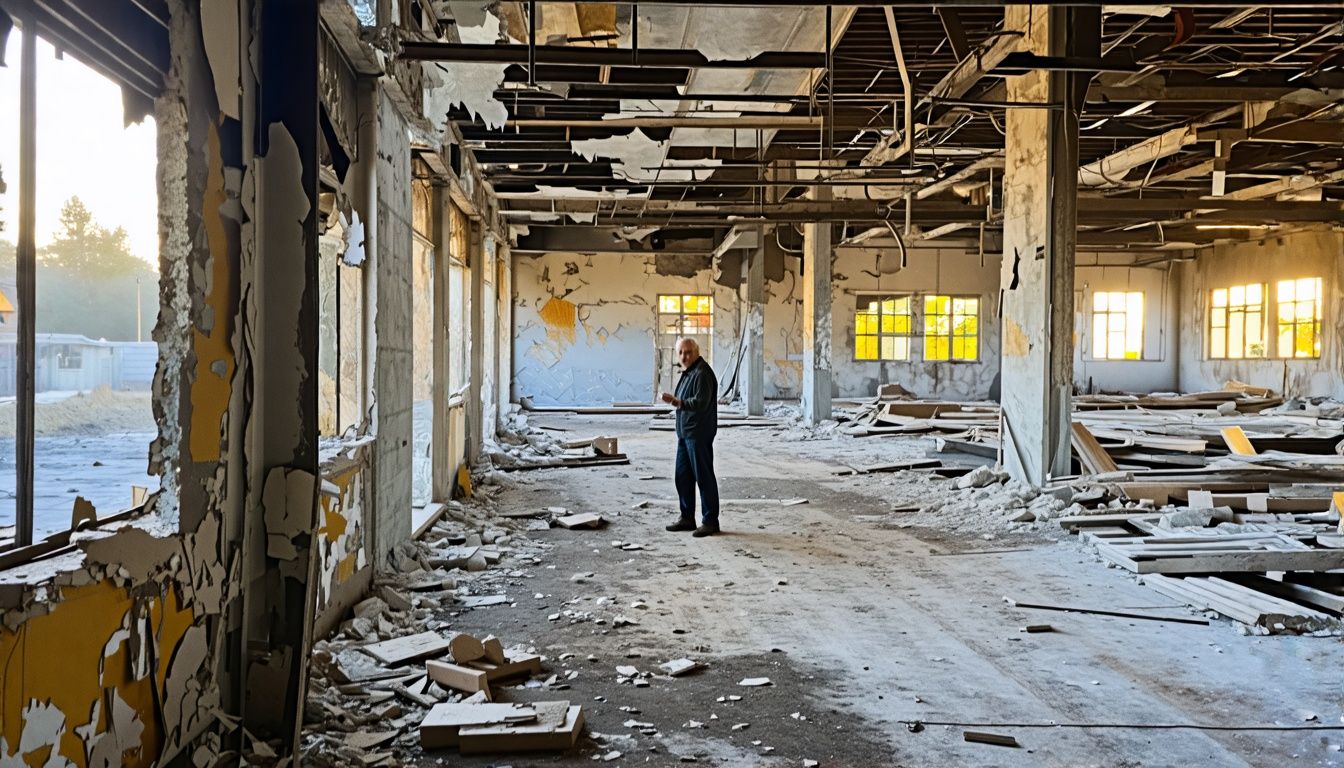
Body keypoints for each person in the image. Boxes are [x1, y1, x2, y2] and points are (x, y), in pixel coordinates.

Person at [660, 337, 720, 537]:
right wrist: (678, 403)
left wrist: (678, 402)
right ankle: (687, 518)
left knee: (704, 477)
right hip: (685, 434)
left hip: (698, 434)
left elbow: (701, 402)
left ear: (696, 352)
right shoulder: (689, 373)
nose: (684, 356)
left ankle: (710, 521)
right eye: (681, 353)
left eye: (688, 352)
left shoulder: (702, 373)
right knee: (683, 477)